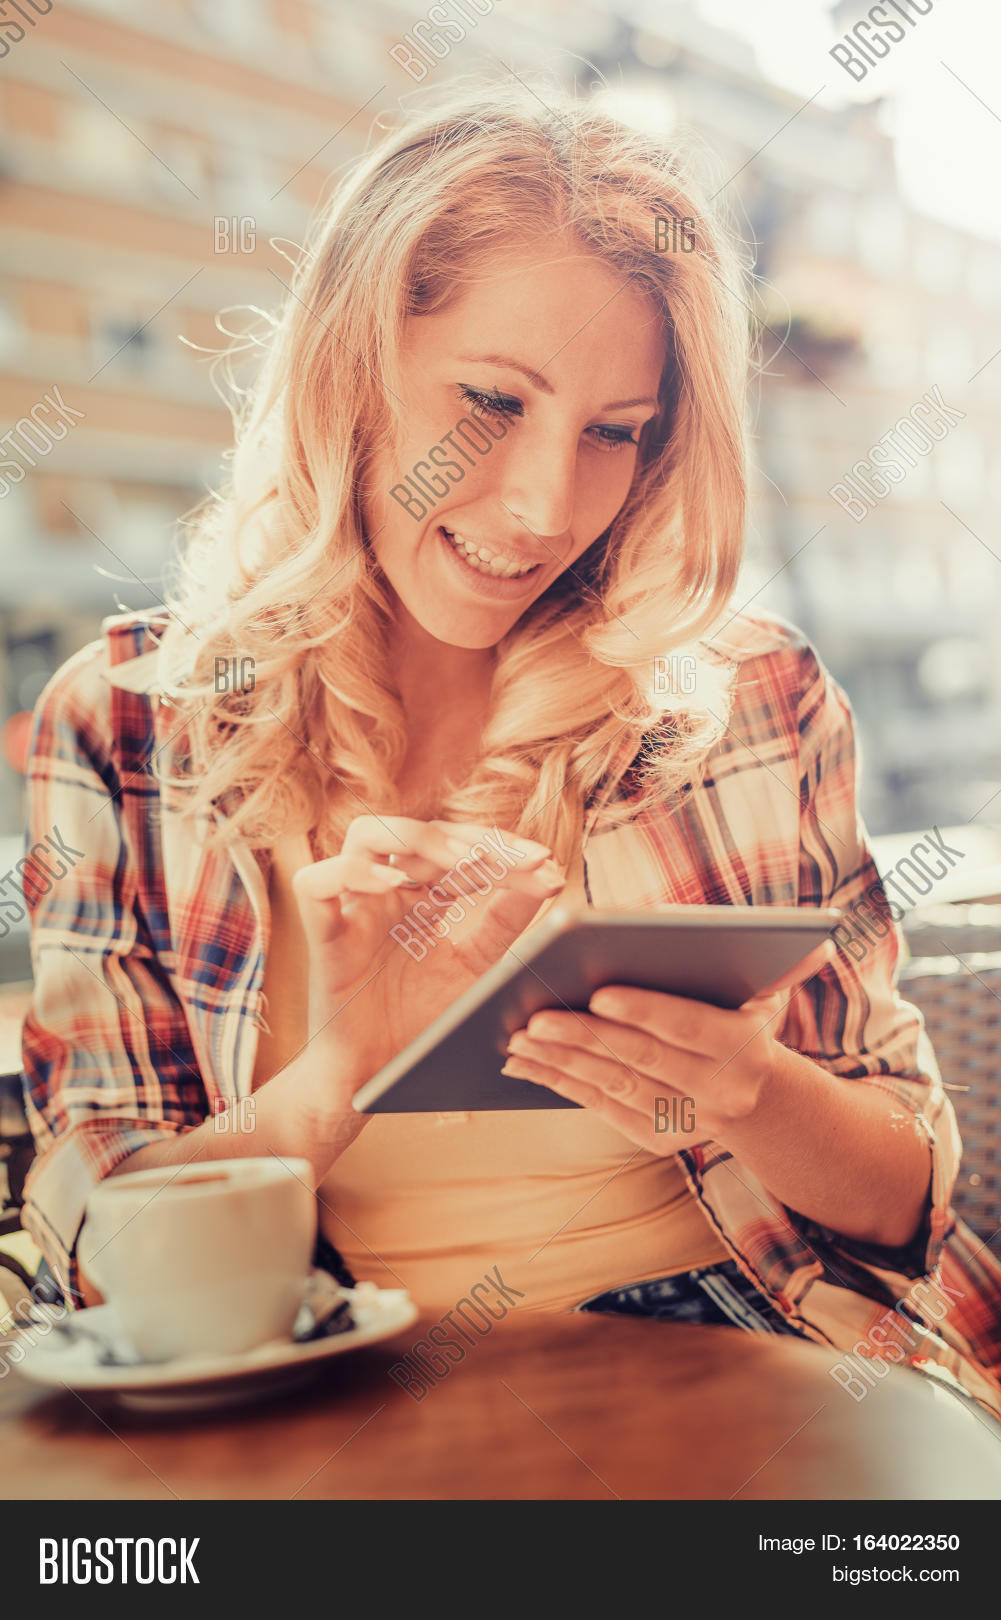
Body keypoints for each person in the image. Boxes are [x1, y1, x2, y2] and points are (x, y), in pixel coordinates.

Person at [19, 79, 1001, 1420]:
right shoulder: (123, 723)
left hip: (752, 1346)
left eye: (615, 432)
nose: (546, 506)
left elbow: (907, 1205)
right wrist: (338, 1078)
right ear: (348, 371)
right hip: (342, 1394)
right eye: (489, 402)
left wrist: (750, 1090)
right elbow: (107, 1253)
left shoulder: (750, 694)